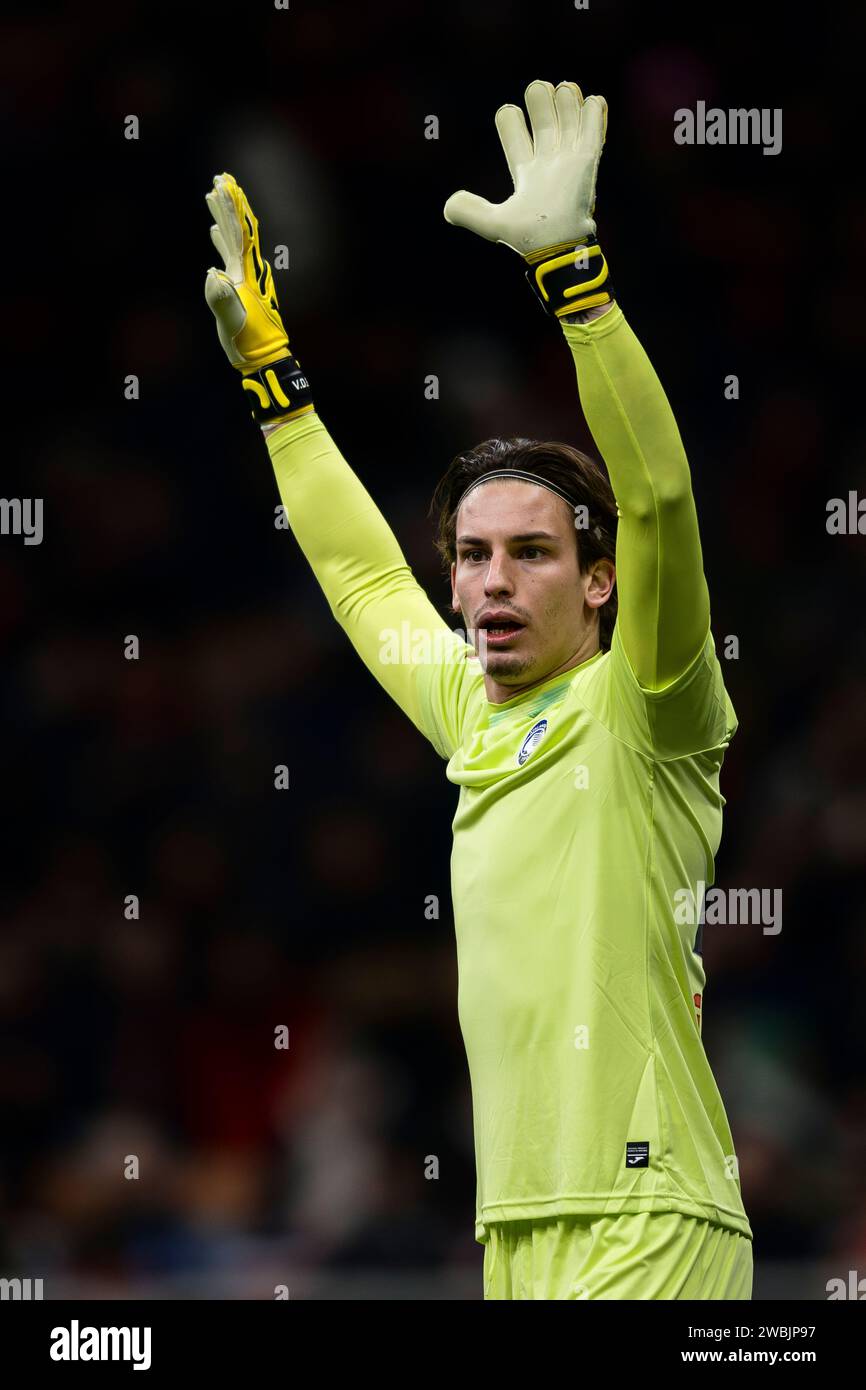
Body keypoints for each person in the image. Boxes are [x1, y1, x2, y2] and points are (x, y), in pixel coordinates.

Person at [203, 77, 753, 1300]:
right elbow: (356, 575)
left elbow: (658, 500)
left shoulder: (648, 706)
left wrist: (577, 282)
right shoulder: (471, 715)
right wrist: (276, 388)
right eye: (469, 556)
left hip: (649, 1213)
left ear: (600, 584)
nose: (489, 583)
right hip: (512, 1228)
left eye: (533, 552)